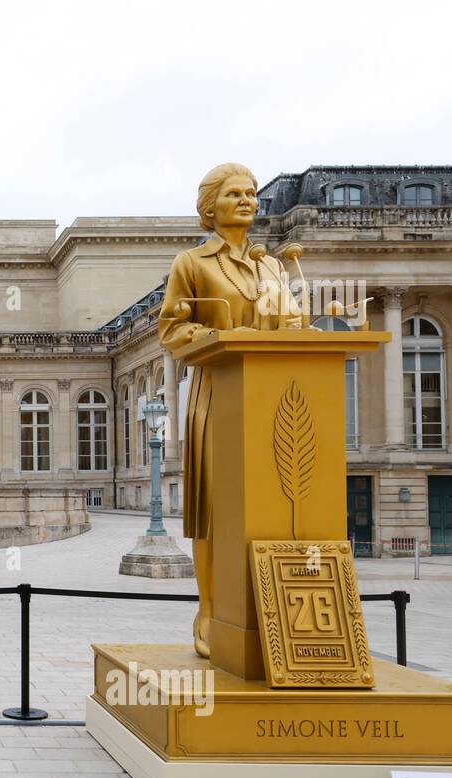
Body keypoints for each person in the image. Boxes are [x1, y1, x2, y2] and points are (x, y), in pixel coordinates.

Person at [158, 162, 303, 658]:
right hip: (217, 395)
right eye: (234, 194)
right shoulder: (192, 264)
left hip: (275, 400)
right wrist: (222, 336)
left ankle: (271, 612)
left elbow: (289, 322)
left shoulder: (273, 266)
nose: (246, 201)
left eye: (251, 193)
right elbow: (171, 332)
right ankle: (209, 607)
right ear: (209, 207)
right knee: (215, 507)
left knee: (275, 504)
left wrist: (295, 326)